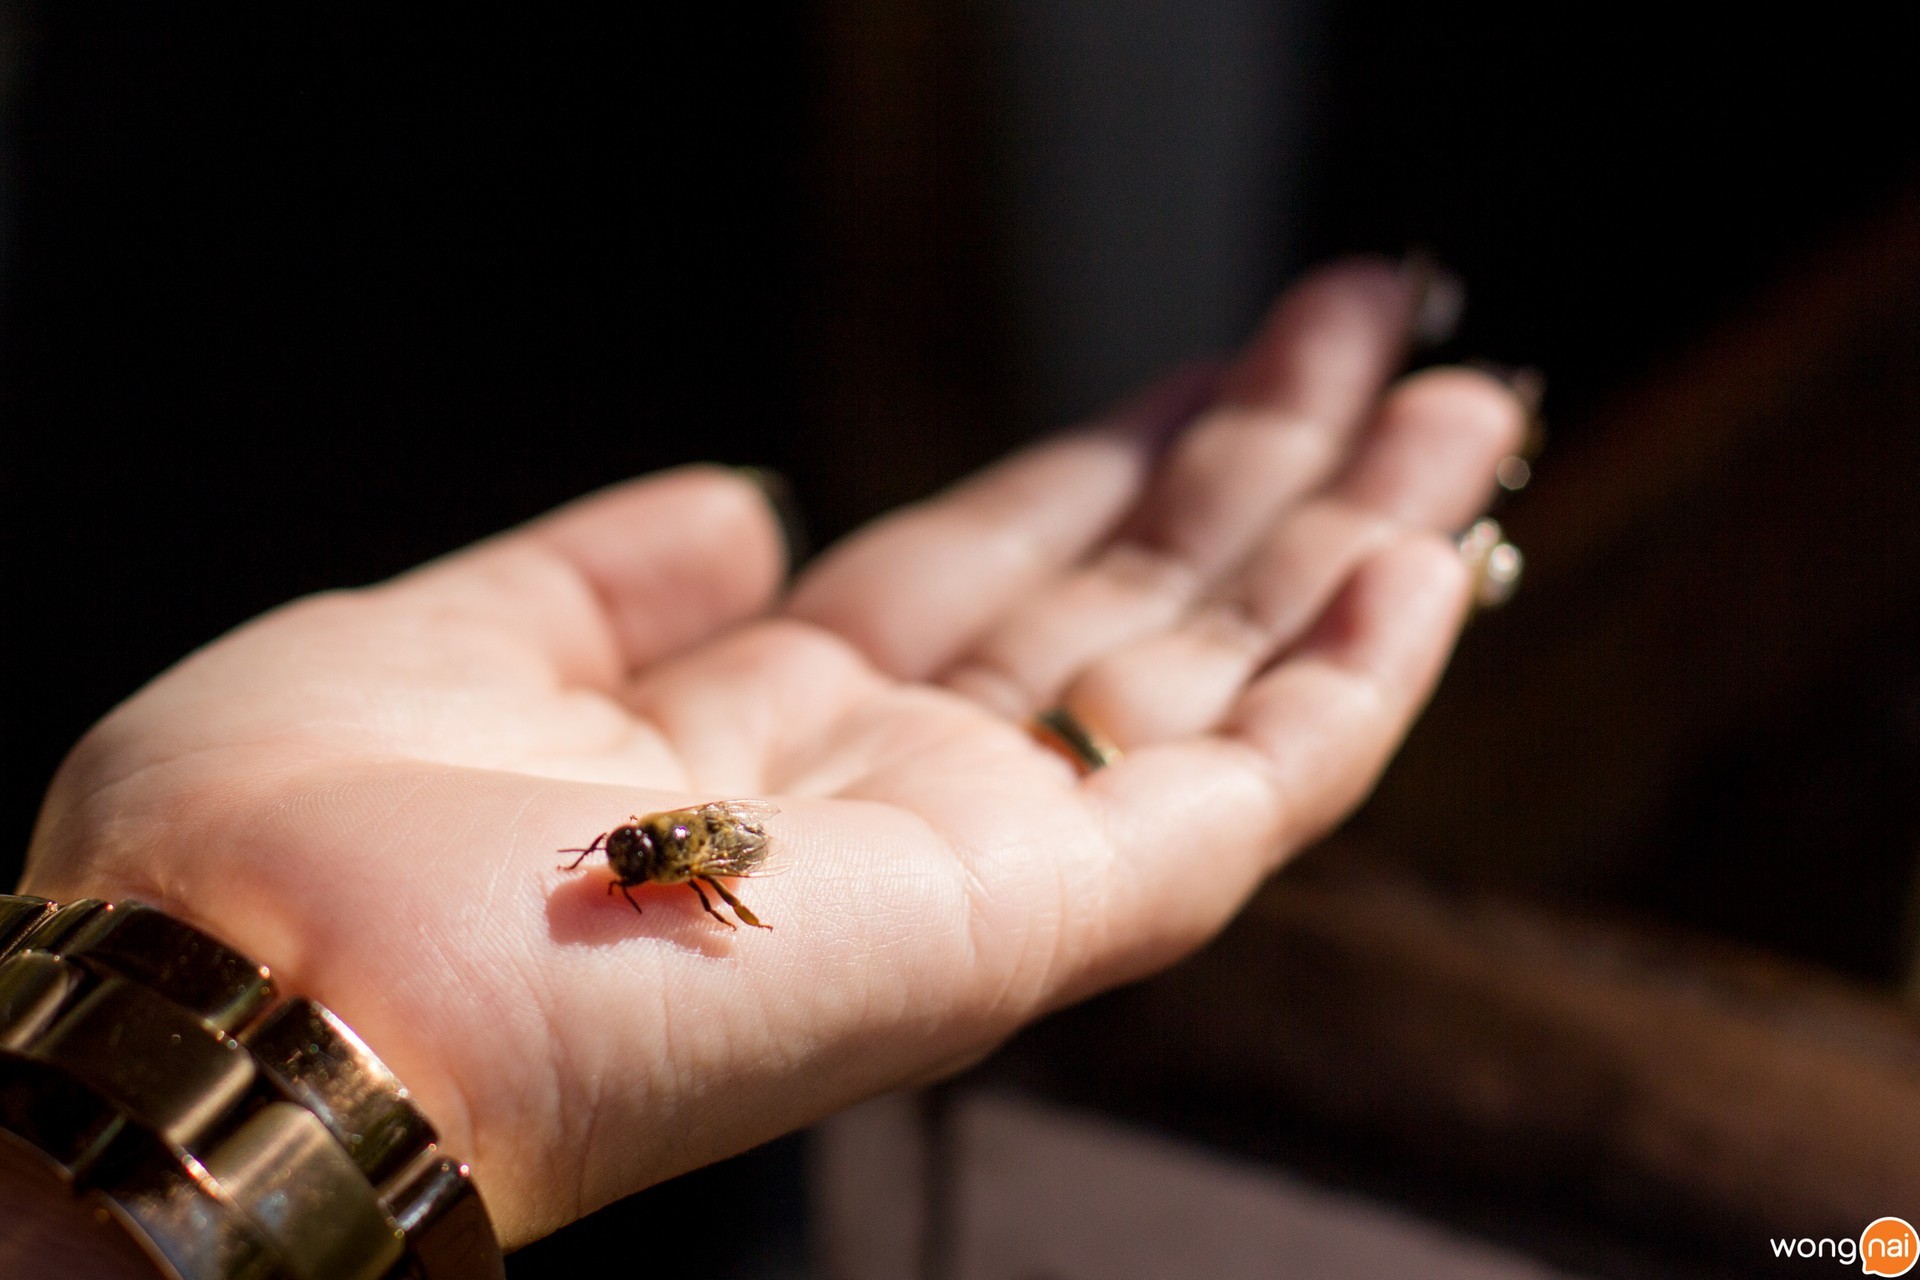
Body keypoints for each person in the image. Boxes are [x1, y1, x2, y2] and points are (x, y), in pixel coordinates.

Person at [6, 257, 1526, 1271]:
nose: (620, 873)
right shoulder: (642, 854)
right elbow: (656, 849)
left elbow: (695, 850)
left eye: (628, 865)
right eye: (628, 867)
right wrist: (392, 1018)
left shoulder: (683, 855)